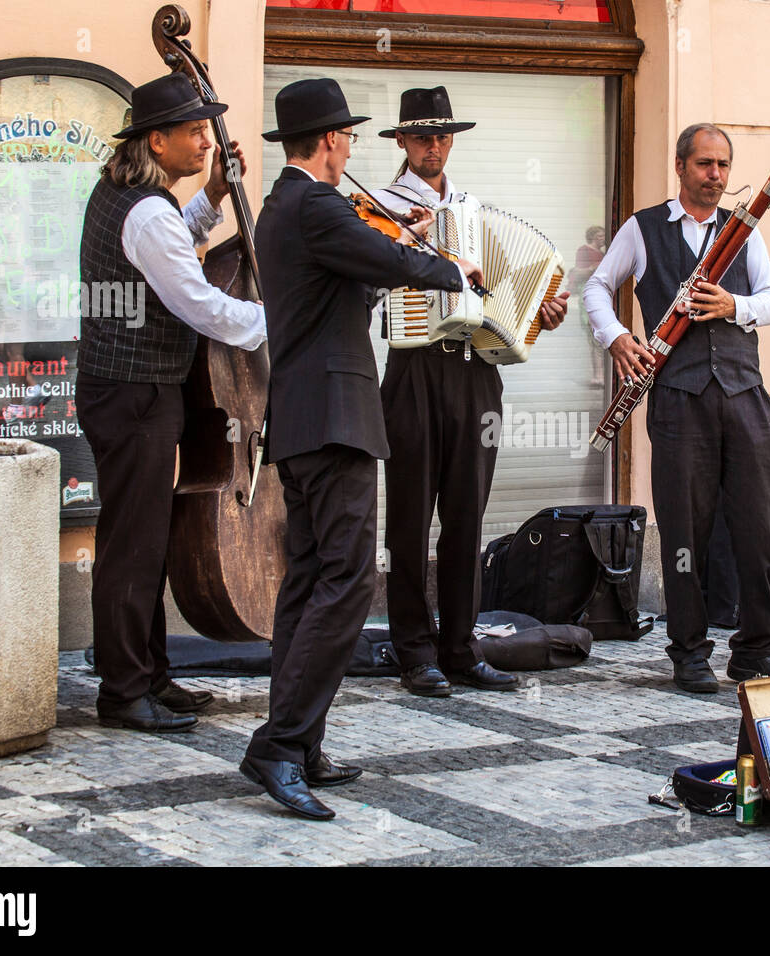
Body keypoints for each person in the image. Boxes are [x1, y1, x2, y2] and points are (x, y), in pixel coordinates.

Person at [242, 79, 483, 820]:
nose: (350, 144)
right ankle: (278, 747)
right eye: (346, 134)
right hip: (336, 415)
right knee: (346, 580)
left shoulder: (281, 209)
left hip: (303, 419)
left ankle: (303, 741)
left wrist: (396, 234)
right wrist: (453, 269)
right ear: (330, 142)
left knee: (310, 578)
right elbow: (391, 263)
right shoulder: (317, 206)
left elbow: (349, 278)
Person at [77, 73, 266, 733]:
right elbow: (198, 302)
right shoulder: (148, 211)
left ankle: (149, 674)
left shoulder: (126, 197)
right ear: (156, 141)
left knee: (142, 539)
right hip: (137, 394)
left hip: (124, 389)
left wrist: (212, 200)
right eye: (193, 132)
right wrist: (272, 323)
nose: (206, 143)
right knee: (134, 545)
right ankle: (124, 692)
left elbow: (168, 249)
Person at [372, 86, 569, 698]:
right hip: (414, 368)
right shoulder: (375, 205)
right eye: (423, 135)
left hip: (476, 372)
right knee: (408, 519)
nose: (434, 145)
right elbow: (369, 285)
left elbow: (503, 294)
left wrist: (539, 312)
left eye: (443, 135)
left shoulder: (472, 207)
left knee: (466, 515)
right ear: (401, 141)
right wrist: (404, 241)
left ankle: (460, 646)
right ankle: (413, 651)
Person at [582, 123, 770, 693]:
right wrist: (617, 338)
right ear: (680, 167)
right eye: (704, 164)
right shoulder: (644, 228)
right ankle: (690, 652)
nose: (716, 176)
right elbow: (597, 287)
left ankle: (756, 649)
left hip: (744, 396)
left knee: (761, 526)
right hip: (679, 400)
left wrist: (732, 304)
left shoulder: (743, 232)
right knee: (683, 533)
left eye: (723, 165)